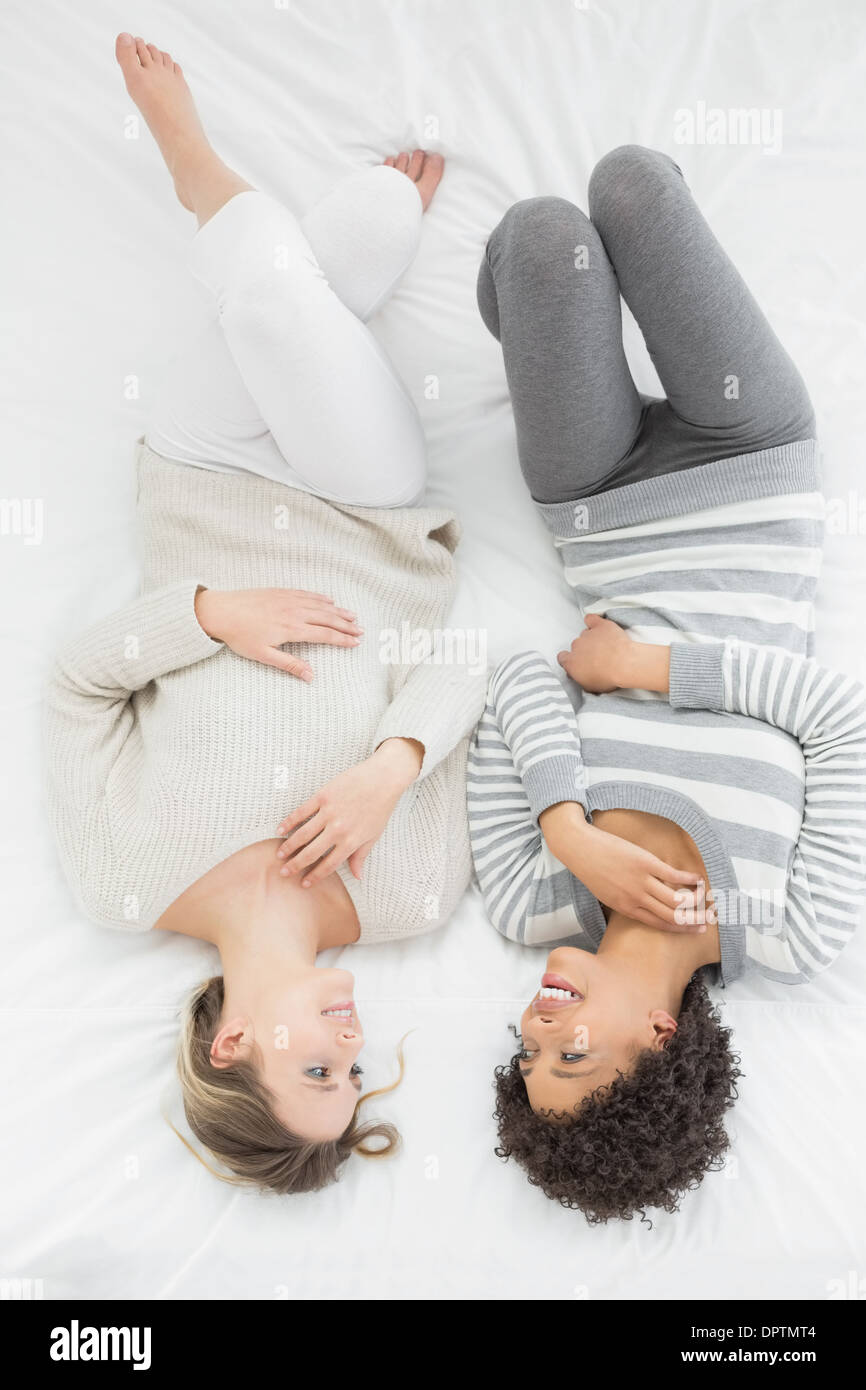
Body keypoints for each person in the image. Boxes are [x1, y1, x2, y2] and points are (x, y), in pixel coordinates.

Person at [42, 34, 485, 1195]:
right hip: (361, 507)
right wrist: (391, 764)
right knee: (333, 262)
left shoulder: (122, 882)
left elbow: (75, 685)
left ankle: (192, 164)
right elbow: (467, 658)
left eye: (319, 1070)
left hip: (200, 474)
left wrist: (206, 615)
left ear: (232, 1046)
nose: (351, 1043)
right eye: (359, 1070)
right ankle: (283, 257)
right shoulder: (406, 897)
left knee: (317, 270)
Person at [467, 145, 866, 1222]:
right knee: (632, 185)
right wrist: (642, 668)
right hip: (751, 468)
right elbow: (839, 723)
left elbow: (516, 683)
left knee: (545, 239)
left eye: (525, 1054)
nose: (536, 1024)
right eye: (568, 1056)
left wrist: (567, 827)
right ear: (654, 1044)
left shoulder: (532, 894)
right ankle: (564, 315)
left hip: (598, 510)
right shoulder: (789, 930)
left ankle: (537, 304)